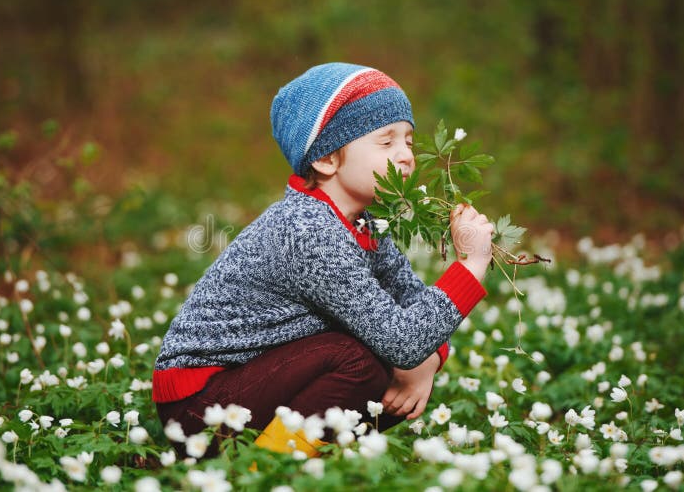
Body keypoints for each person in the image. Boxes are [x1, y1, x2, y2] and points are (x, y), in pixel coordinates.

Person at [153, 62, 494, 458]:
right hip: (199, 403)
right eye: (386, 143)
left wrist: (429, 359)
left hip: (254, 382)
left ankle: (309, 462)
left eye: (409, 142)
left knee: (379, 364)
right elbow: (402, 341)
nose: (406, 156)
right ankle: (263, 471)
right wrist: (470, 265)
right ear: (327, 159)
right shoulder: (309, 230)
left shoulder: (364, 223)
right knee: (360, 360)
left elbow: (410, 300)